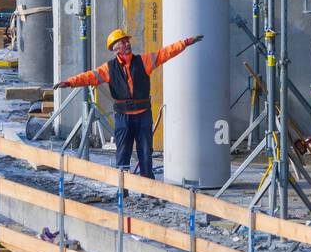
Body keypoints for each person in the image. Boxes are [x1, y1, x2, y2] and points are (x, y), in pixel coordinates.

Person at [53, 28, 202, 179]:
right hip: (123, 117)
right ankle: (122, 192)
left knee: (145, 153)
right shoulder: (109, 69)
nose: (127, 44)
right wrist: (69, 82)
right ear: (115, 48)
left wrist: (185, 42)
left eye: (127, 41)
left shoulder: (144, 61)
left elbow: (165, 53)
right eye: (123, 42)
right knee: (123, 154)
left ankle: (148, 191)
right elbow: (89, 77)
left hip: (143, 115)